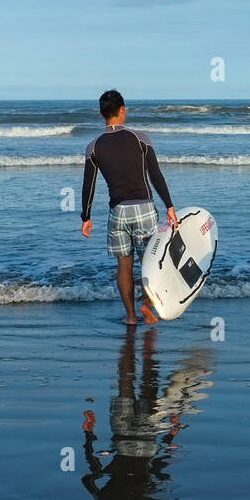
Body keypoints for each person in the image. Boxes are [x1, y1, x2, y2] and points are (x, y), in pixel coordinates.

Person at [80, 89, 179, 326]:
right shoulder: (140, 138)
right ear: (123, 110)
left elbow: (88, 185)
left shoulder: (94, 147)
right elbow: (155, 175)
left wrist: (86, 216)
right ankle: (147, 304)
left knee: (124, 265)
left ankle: (131, 317)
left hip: (118, 213)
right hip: (144, 209)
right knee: (150, 262)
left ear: (101, 114)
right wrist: (170, 206)